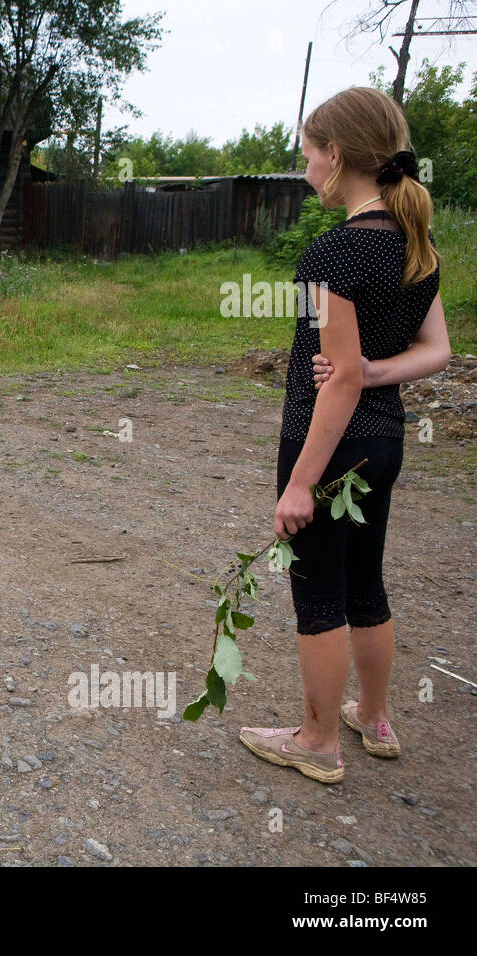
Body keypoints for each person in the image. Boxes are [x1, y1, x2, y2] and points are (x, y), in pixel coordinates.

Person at [238, 87, 450, 784]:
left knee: (318, 588)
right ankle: (376, 718)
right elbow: (436, 349)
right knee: (366, 582)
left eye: (307, 156)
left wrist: (301, 481)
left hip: (327, 443)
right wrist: (374, 367)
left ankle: (318, 740)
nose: (304, 171)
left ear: (336, 156)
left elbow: (343, 380)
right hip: (383, 444)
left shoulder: (333, 255)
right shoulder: (416, 244)